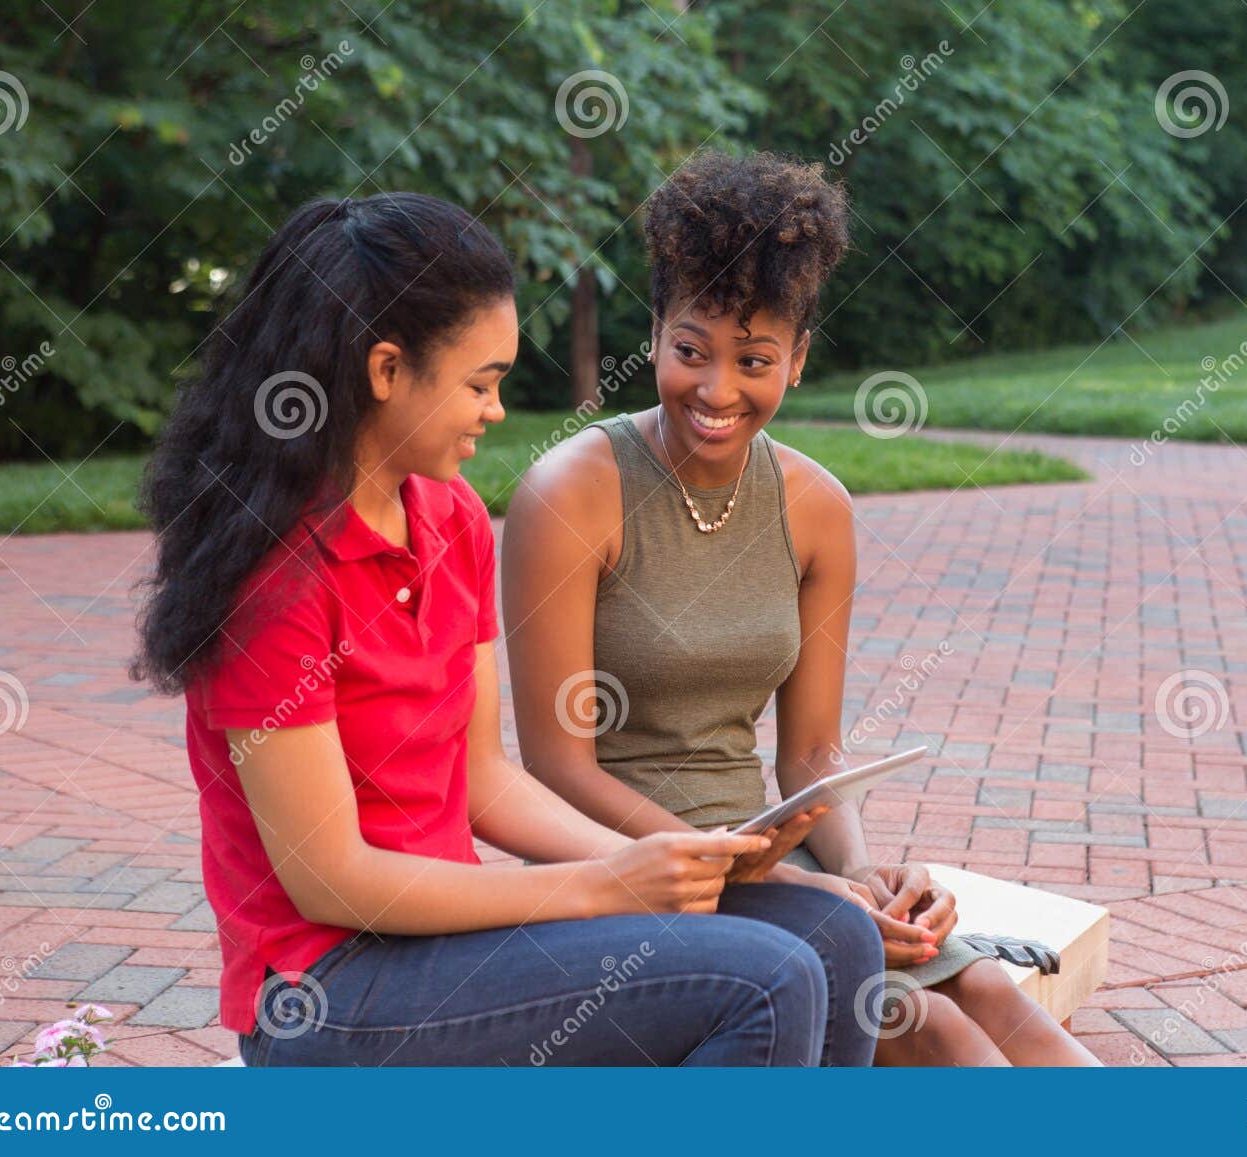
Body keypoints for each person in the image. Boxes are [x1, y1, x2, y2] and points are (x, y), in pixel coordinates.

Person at [131, 191, 882, 1067]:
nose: (495, 410)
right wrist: (603, 884)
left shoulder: (446, 518)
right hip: (326, 993)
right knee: (765, 979)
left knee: (838, 939)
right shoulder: (274, 579)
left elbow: (483, 777)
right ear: (385, 370)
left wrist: (666, 864)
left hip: (444, 949)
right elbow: (330, 877)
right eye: (480, 383)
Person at [503, 152, 1100, 1066]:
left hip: (768, 858)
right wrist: (764, 872)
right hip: (630, 866)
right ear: (654, 330)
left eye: (754, 361)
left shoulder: (816, 508)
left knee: (977, 980)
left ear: (799, 356)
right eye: (690, 350)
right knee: (921, 1021)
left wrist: (859, 873)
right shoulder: (571, 493)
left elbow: (812, 753)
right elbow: (554, 764)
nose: (716, 391)